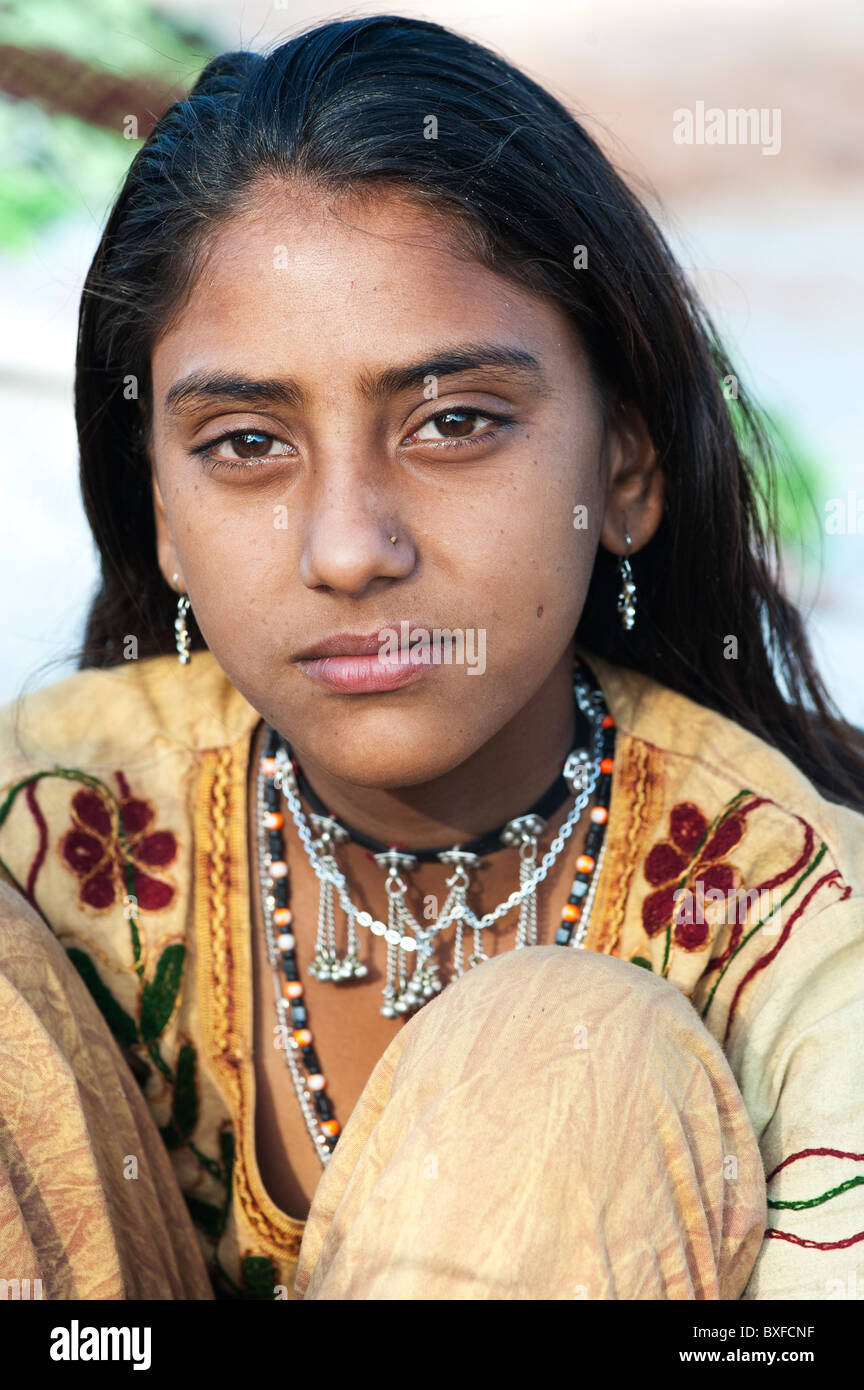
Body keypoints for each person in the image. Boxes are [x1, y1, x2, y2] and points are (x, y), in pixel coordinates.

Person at [1, 14, 862, 1302]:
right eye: (245, 443)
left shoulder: (795, 924)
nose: (349, 549)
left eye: (454, 422)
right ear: (165, 514)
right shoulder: (51, 833)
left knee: (570, 1059)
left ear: (625, 467)